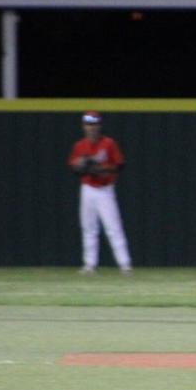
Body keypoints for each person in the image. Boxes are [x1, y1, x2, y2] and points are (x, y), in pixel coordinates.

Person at [68, 110, 134, 276]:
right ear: (84, 126)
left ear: (100, 125)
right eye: (88, 124)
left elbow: (119, 165)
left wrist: (99, 168)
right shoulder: (79, 146)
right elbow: (74, 168)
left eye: (94, 124)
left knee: (113, 228)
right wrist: (81, 166)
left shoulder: (108, 143)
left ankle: (125, 265)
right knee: (89, 228)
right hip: (87, 189)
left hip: (105, 190)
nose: (91, 127)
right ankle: (90, 265)